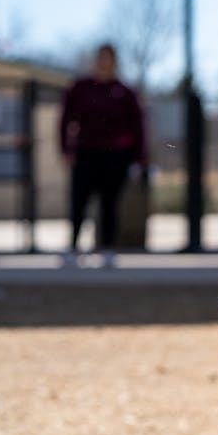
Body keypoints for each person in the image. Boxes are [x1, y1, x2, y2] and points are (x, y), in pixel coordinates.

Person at [59, 43, 147, 267]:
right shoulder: (80, 88)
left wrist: (138, 158)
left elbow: (138, 127)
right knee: (79, 201)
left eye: (108, 58)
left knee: (110, 203)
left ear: (114, 61)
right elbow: (65, 119)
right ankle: (73, 246)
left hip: (116, 156)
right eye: (100, 57)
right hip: (86, 152)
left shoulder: (125, 92)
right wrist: (65, 149)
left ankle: (107, 248)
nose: (103, 62)